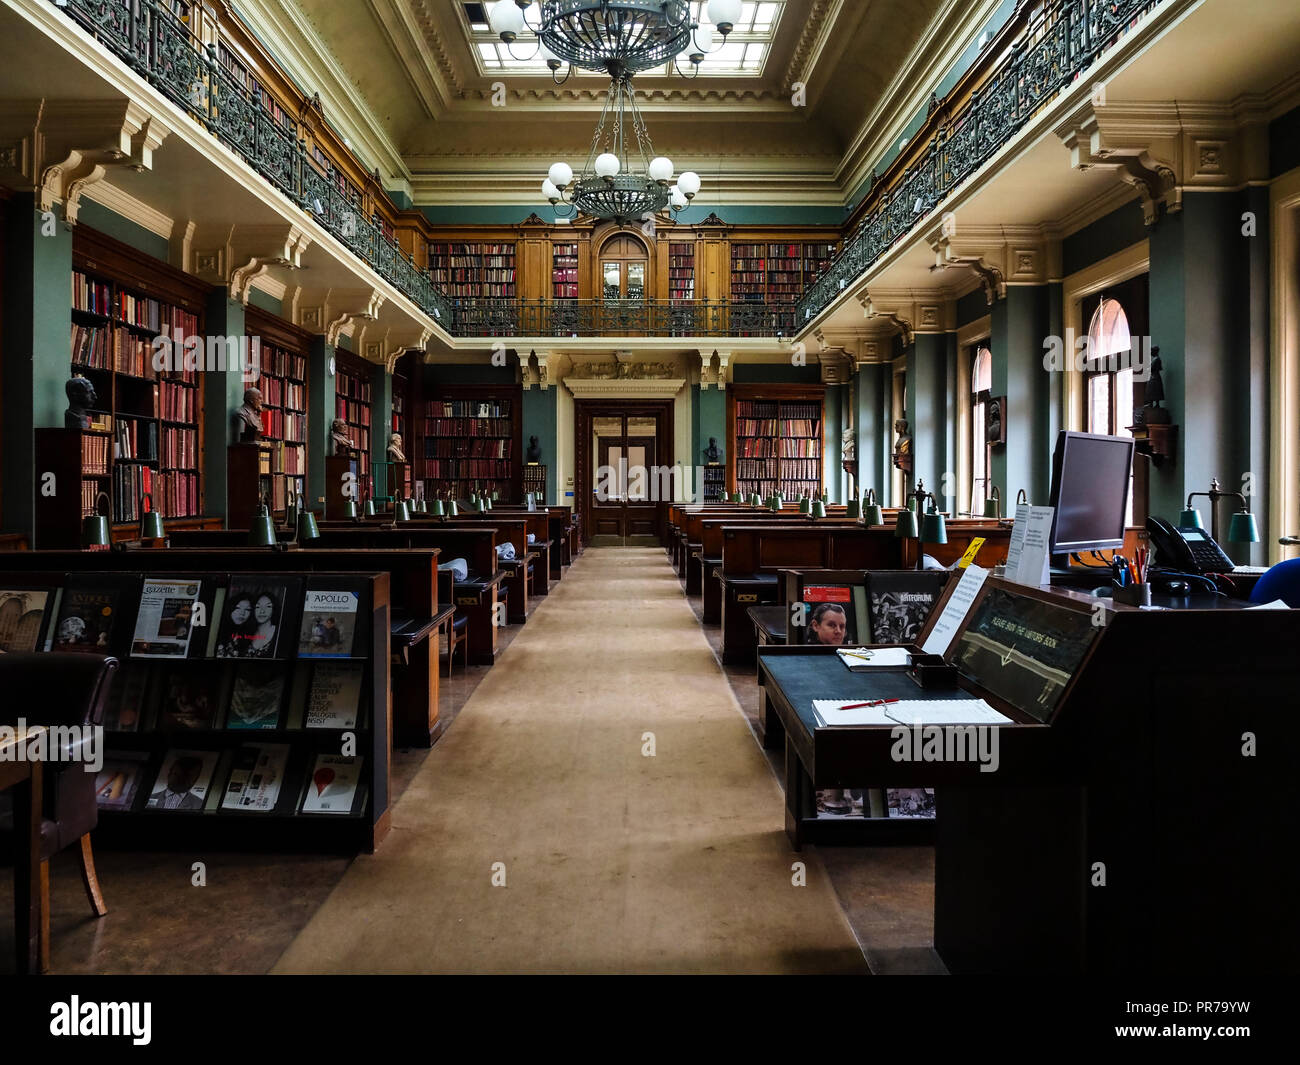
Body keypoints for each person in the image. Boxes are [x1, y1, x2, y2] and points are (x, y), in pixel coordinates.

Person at [249, 592, 279, 657]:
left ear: (274, 609)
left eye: (268, 606)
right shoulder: (247, 631)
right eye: (258, 607)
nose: (262, 611)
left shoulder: (279, 633)